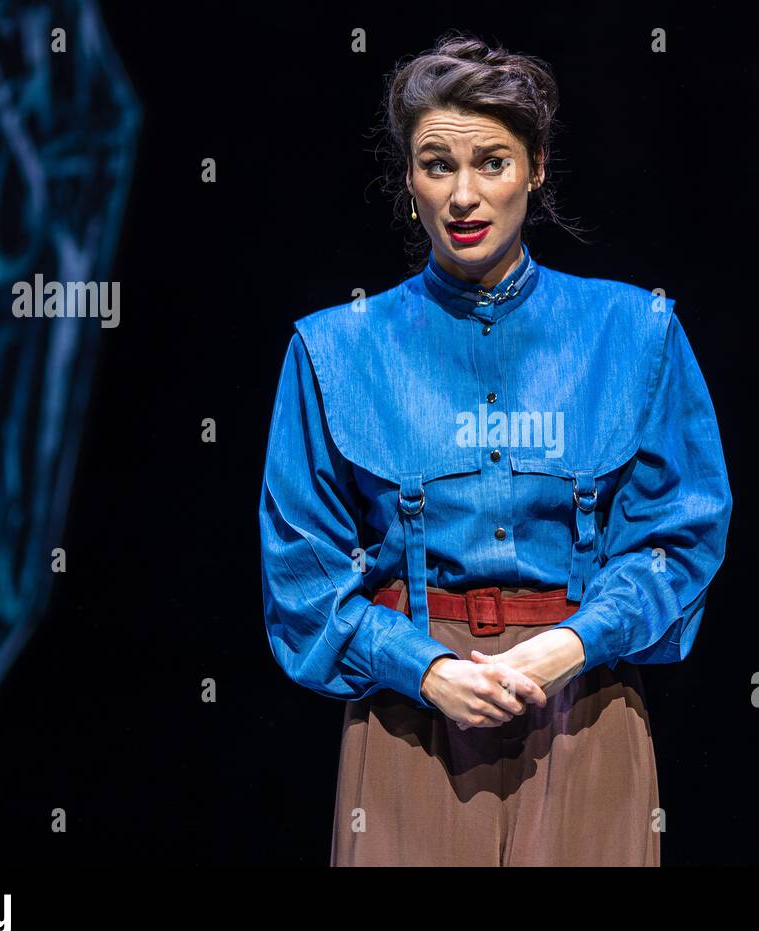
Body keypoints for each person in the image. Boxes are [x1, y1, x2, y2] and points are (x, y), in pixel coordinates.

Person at [258, 31, 732, 866]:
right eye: (437, 164)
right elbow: (302, 576)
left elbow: (681, 535)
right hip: (410, 719)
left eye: (494, 162)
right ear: (408, 178)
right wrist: (428, 668)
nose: (464, 195)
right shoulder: (337, 349)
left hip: (584, 707)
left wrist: (569, 644)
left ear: (536, 168)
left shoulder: (633, 331)